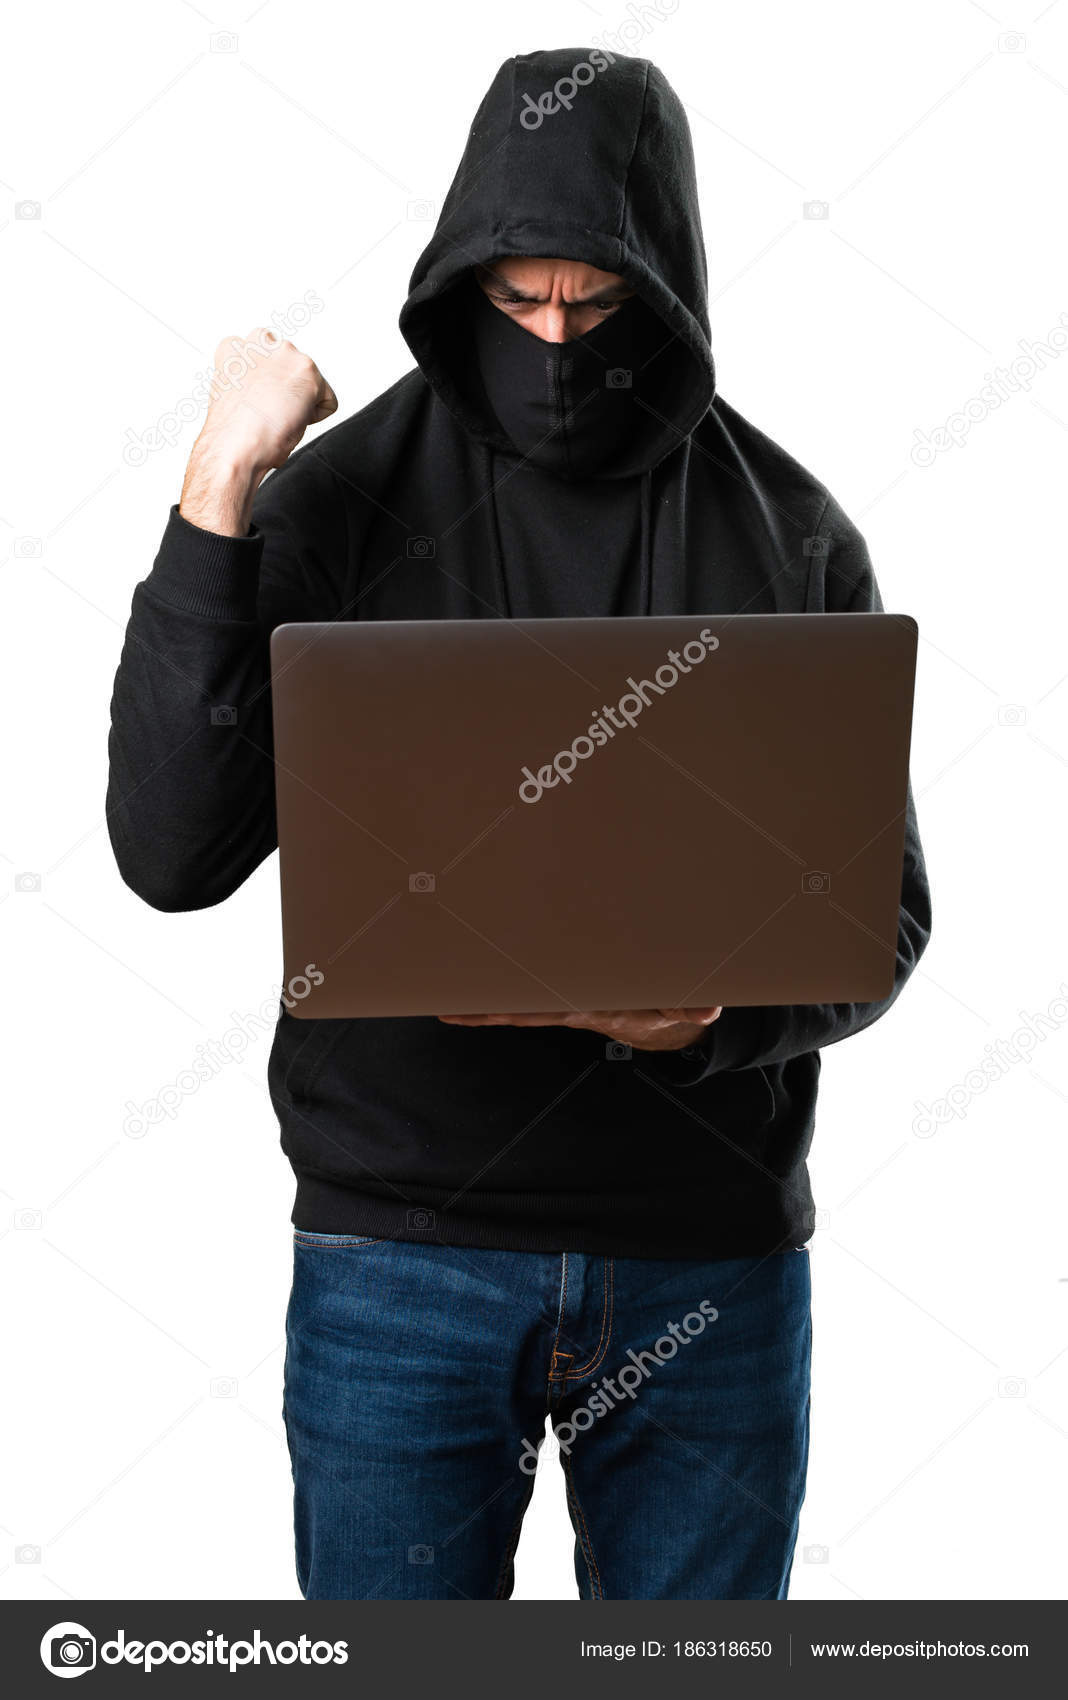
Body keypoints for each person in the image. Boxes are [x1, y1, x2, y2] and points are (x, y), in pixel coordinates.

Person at [107, 48, 931, 1601]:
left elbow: (880, 921)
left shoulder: (794, 529)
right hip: (399, 1258)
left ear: (665, 290)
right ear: (461, 277)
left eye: (596, 305)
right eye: (520, 299)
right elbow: (168, 849)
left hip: (708, 1265)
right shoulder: (332, 500)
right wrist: (218, 483)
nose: (554, 339)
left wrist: (716, 1017)